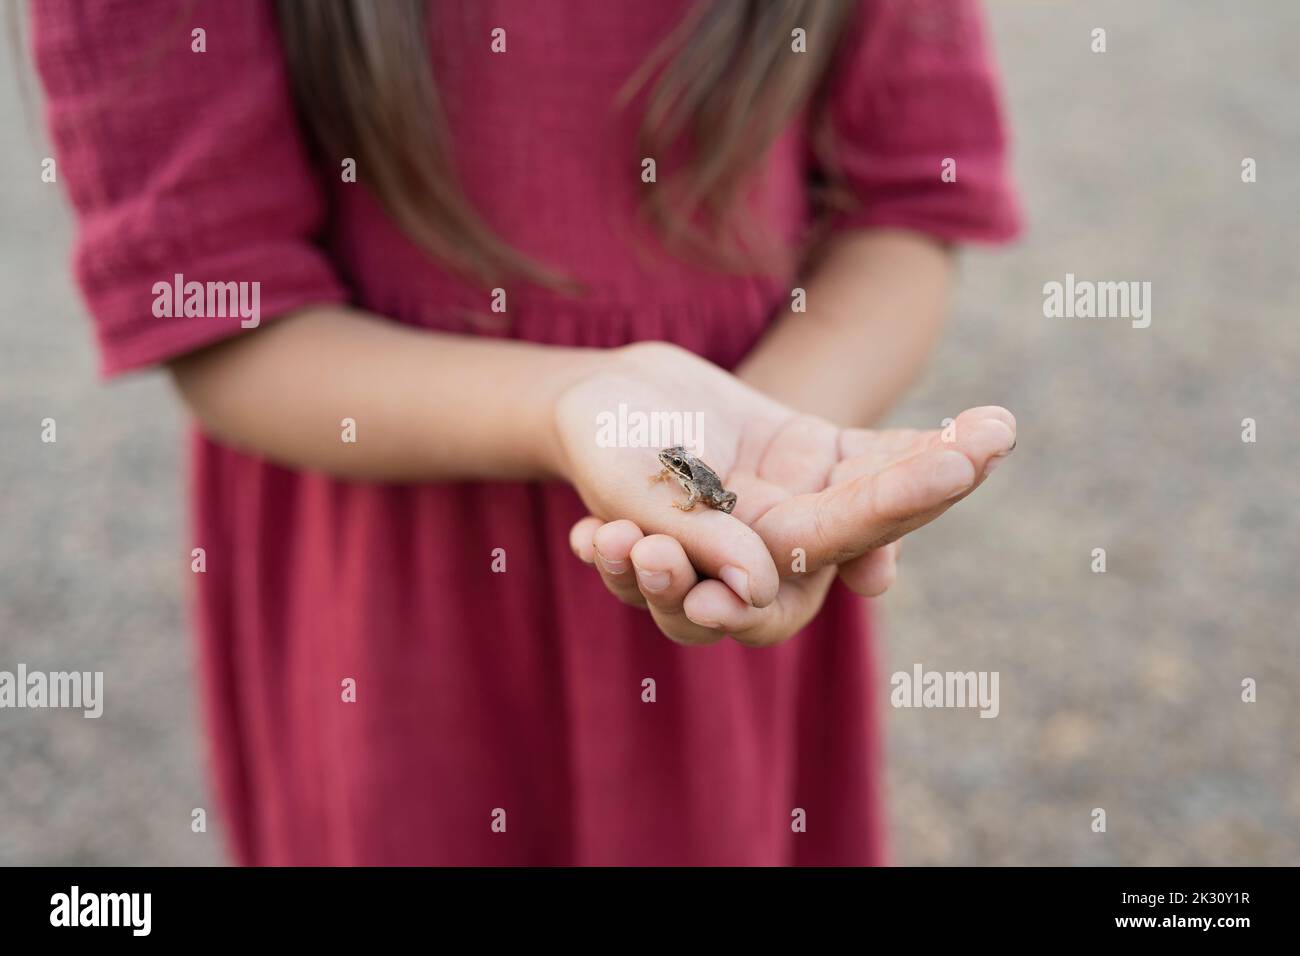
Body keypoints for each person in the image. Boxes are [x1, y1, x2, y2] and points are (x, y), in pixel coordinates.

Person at [32, 0, 1020, 864]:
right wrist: (565, 405)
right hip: (388, 594)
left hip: (723, 568)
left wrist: (778, 419)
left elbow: (907, 200)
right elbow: (214, 314)